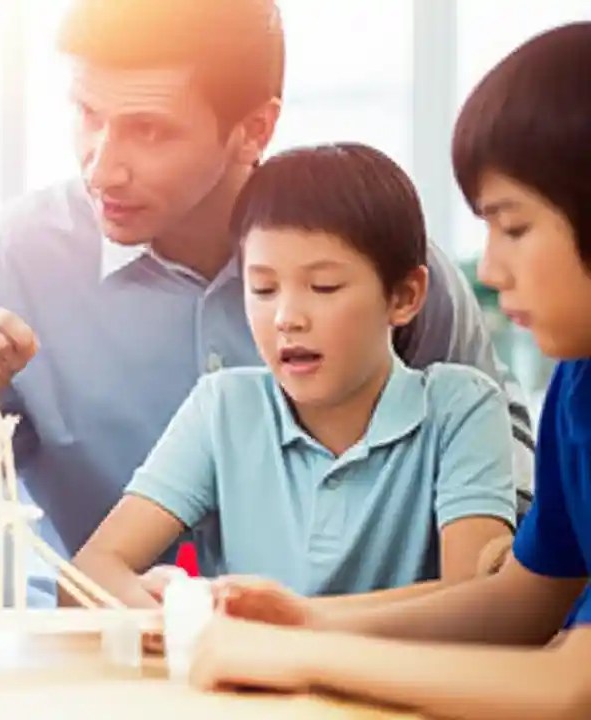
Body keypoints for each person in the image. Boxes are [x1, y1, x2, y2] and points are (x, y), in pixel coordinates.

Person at [0, 0, 532, 605]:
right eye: (88, 114)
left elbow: (500, 466)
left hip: (381, 661)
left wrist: (490, 589)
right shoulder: (13, 259)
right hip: (110, 649)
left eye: (148, 131)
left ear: (253, 128)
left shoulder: (377, 253)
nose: (102, 168)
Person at [185, 23, 591, 720]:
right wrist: (310, 621)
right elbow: (523, 600)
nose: (490, 271)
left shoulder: (465, 402)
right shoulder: (577, 386)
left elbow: (572, 687)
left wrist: (299, 659)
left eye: (514, 227)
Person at [71, 143, 515, 610]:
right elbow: (88, 573)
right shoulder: (224, 407)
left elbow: (478, 600)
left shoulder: (459, 407)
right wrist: (169, 606)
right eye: (262, 288)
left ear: (404, 296)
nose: (286, 317)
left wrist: (286, 620)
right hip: (244, 678)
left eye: (323, 287)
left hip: (399, 682)